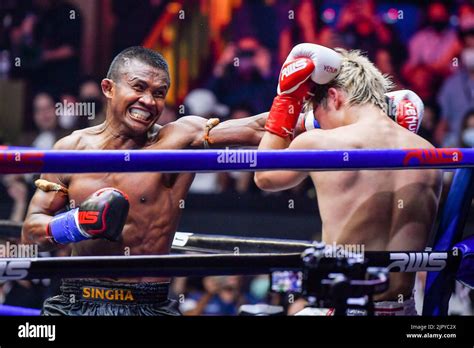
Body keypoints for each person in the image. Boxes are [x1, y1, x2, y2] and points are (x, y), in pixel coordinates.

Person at [21, 46, 267, 316]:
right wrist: (78, 223)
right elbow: (31, 233)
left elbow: (257, 127)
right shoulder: (70, 149)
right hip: (77, 302)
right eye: (138, 87)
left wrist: (306, 108)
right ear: (108, 88)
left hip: (148, 305)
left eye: (159, 93)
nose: (149, 101)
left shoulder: (179, 139)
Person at [254, 44, 443, 315]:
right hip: (406, 310)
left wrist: (288, 98)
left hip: (345, 308)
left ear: (334, 96)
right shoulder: (429, 151)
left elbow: (265, 176)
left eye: (316, 114)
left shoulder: (321, 143)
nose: (318, 123)